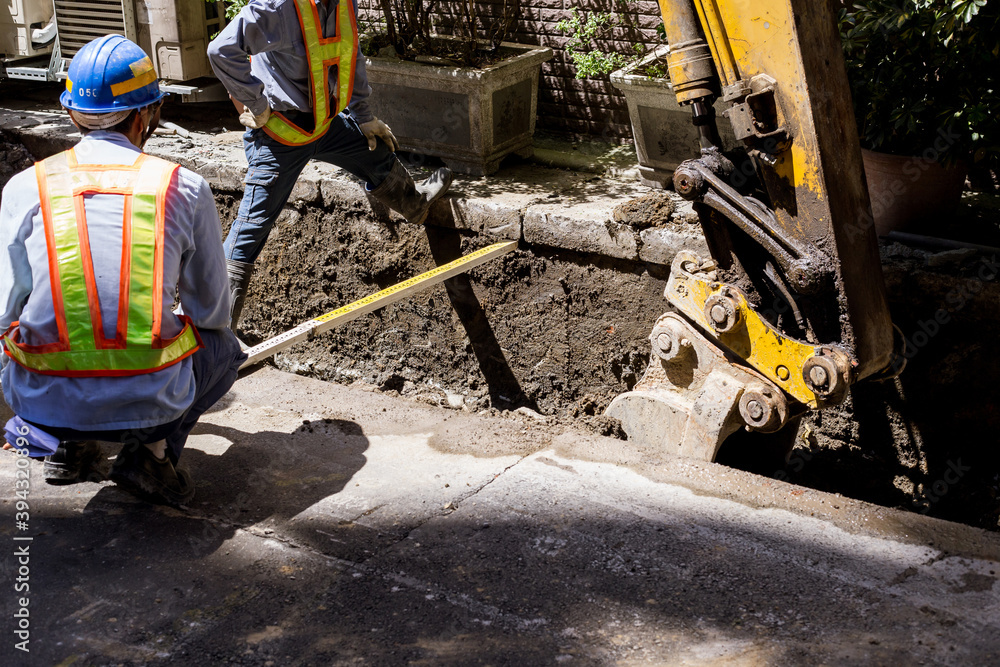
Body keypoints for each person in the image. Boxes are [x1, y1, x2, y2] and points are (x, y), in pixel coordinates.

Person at [0, 35, 246, 506]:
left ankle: (68, 448)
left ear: (72, 113)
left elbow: (4, 306)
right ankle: (152, 456)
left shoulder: (25, 187)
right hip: (151, 406)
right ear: (146, 114)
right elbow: (211, 312)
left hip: (40, 404)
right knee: (221, 347)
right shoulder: (185, 188)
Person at [207, 0, 454, 328]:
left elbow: (351, 54)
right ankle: (215, 332)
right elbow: (220, 50)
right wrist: (257, 103)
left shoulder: (340, 4)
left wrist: (364, 117)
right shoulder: (278, 7)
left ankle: (414, 204)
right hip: (280, 133)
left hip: (324, 123)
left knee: (375, 152)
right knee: (253, 226)